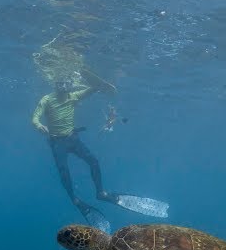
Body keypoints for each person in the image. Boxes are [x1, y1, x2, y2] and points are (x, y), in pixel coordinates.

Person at [32, 71, 168, 231]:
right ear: (55, 85)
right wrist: (39, 125)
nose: (62, 86)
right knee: (64, 171)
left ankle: (101, 193)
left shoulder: (74, 96)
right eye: (59, 83)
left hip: (72, 139)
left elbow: (94, 88)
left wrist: (100, 84)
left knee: (93, 161)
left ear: (69, 84)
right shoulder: (46, 100)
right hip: (57, 142)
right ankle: (75, 199)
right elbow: (35, 117)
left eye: (65, 83)